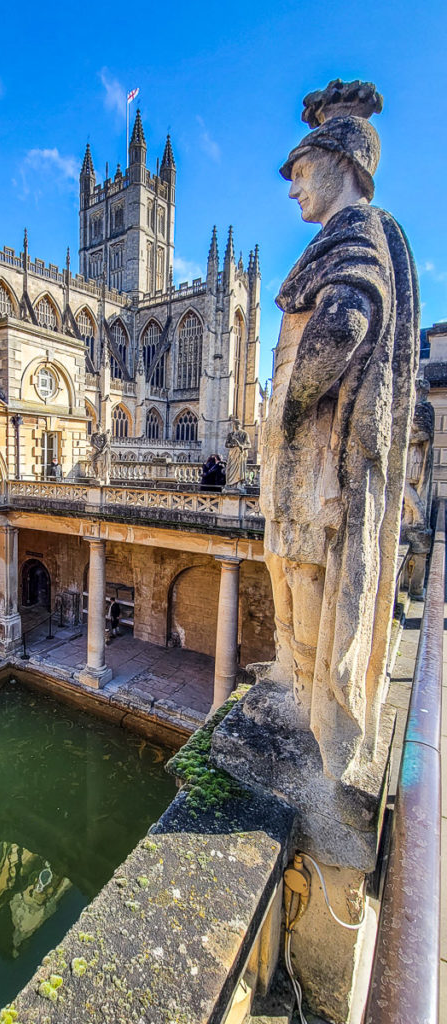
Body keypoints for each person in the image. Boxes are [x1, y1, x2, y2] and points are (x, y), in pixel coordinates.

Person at [260, 79, 418, 779]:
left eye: (300, 170)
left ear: (342, 161)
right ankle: (297, 685)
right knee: (290, 569)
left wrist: (290, 412)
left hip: (314, 461)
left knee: (303, 575)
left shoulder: (355, 231)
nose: (293, 187)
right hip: (304, 462)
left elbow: (345, 323)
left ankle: (308, 703)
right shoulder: (352, 236)